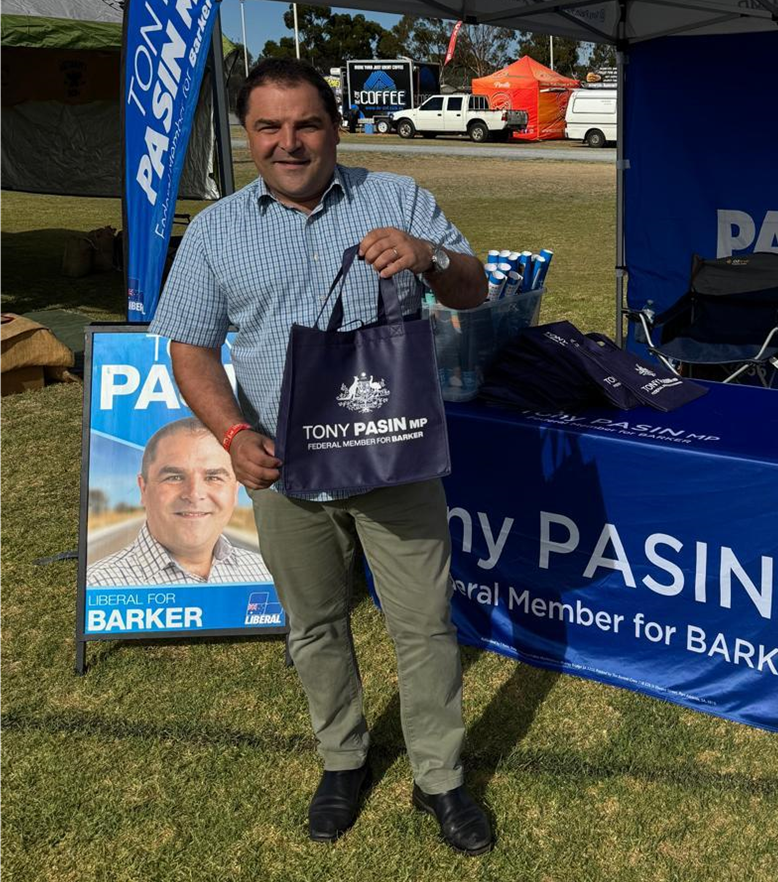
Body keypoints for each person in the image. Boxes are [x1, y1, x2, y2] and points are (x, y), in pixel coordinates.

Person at [150, 57, 492, 854]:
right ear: (247, 135)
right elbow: (191, 350)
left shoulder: (396, 198)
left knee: (424, 624)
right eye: (268, 127)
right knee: (313, 623)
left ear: (334, 126)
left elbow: (474, 290)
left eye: (306, 123)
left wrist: (430, 256)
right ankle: (343, 759)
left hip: (393, 461)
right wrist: (234, 437)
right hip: (285, 467)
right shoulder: (215, 231)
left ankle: (438, 776)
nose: (288, 142)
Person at [87, 416, 269, 587]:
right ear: (143, 488)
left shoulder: (266, 575)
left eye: (213, 477)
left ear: (235, 489)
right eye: (174, 477)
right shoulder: (100, 584)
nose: (194, 493)